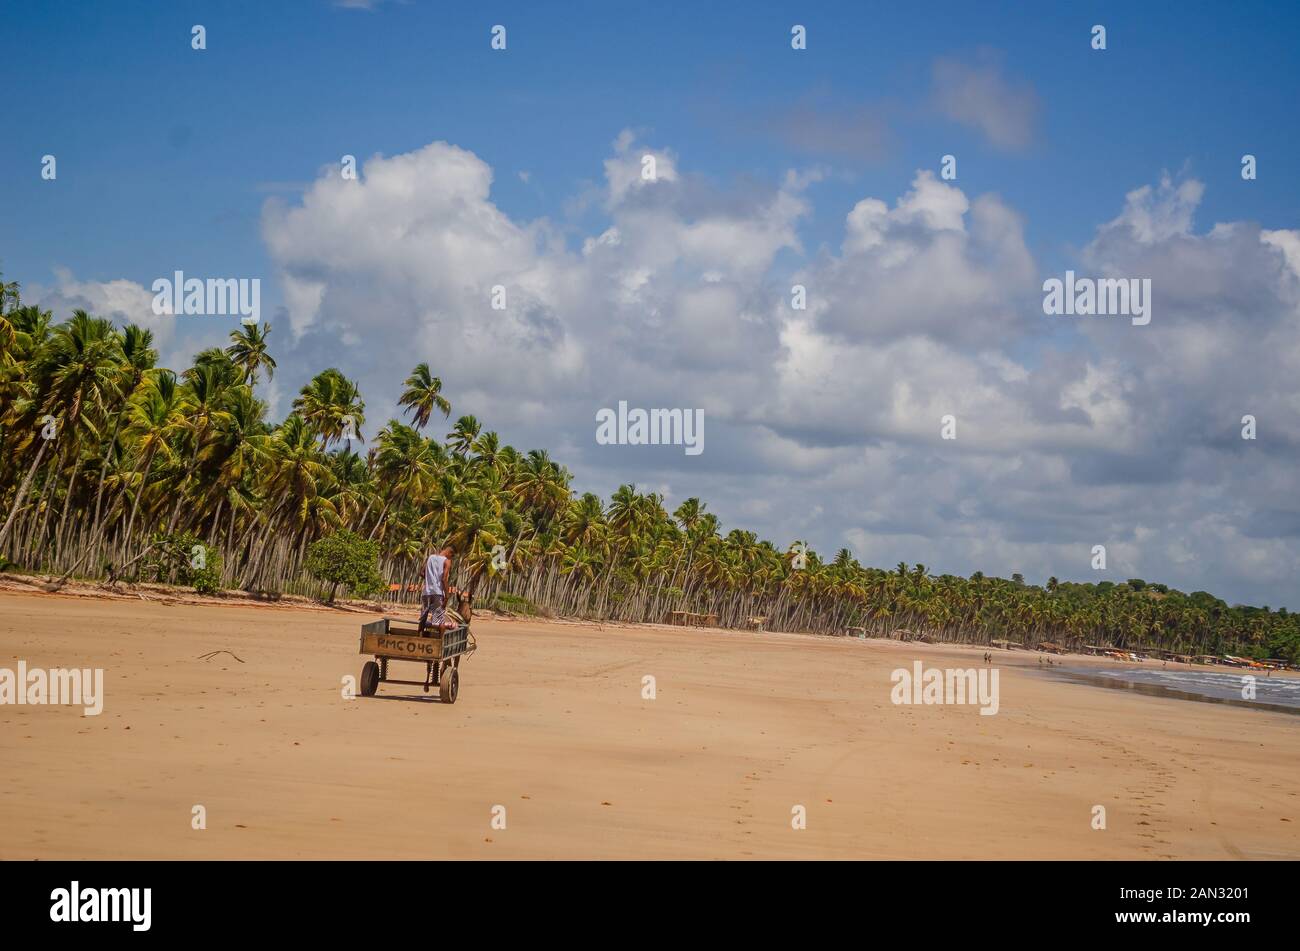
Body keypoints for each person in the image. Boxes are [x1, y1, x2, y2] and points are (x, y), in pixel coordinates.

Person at [418, 544, 454, 636]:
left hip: (426, 593)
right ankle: (440, 644)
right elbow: (444, 579)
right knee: (440, 621)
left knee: (423, 618)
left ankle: (419, 639)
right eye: (452, 556)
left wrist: (430, 579)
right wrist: (447, 596)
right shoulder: (447, 561)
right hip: (437, 594)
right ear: (449, 552)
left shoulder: (430, 557)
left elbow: (421, 573)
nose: (451, 558)